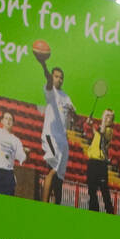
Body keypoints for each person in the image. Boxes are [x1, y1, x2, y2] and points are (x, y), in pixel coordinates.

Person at [35, 51, 74, 204]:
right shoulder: (50, 90)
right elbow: (47, 79)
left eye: (61, 77)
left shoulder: (66, 96)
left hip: (63, 140)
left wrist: (74, 114)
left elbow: (74, 118)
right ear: (52, 77)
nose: (59, 79)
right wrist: (44, 65)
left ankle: (56, 205)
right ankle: (44, 203)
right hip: (51, 136)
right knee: (51, 170)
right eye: (56, 76)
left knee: (59, 176)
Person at [85, 109, 115, 214]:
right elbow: (96, 132)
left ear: (112, 121)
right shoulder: (99, 129)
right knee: (91, 190)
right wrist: (90, 123)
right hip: (92, 162)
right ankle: (94, 210)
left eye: (109, 117)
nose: (107, 118)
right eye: (106, 116)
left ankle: (110, 212)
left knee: (104, 191)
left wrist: (100, 120)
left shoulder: (109, 131)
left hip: (101, 164)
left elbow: (101, 132)